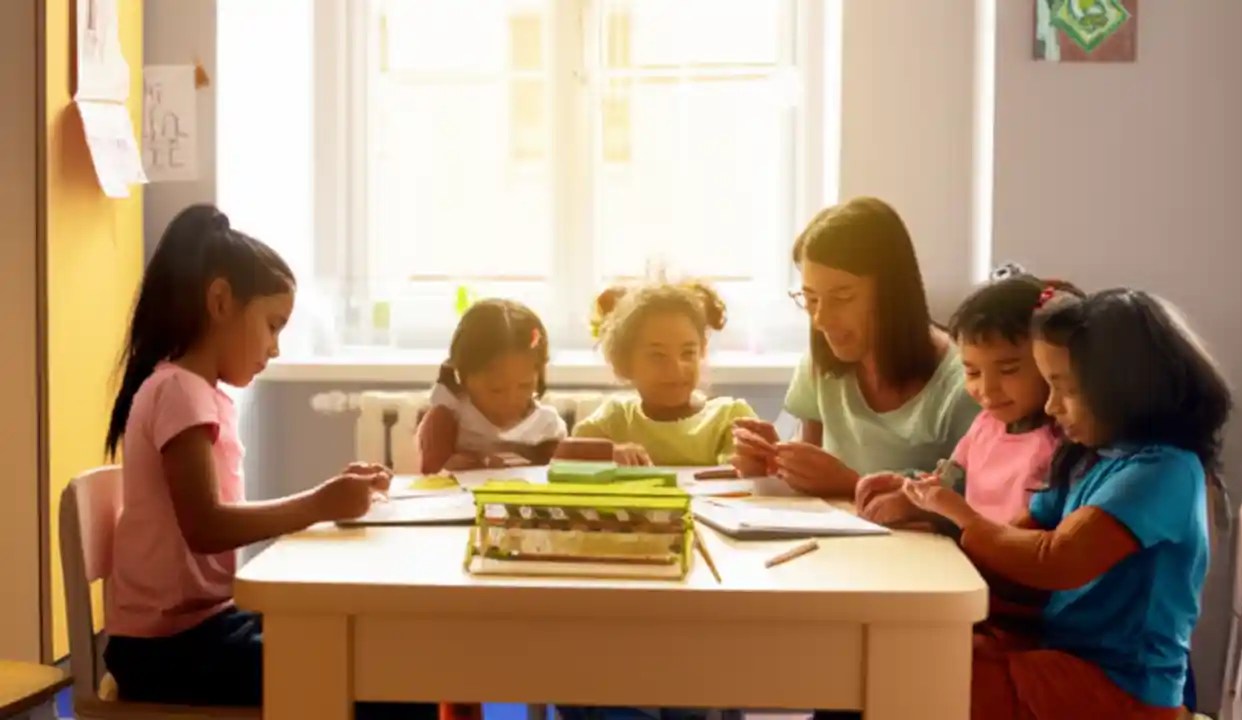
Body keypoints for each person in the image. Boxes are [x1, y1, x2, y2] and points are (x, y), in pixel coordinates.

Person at [103, 204, 432, 719]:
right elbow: (205, 526)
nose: (275, 348)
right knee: (379, 682)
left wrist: (327, 496)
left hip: (205, 628)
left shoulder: (199, 394)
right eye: (272, 325)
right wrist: (320, 504)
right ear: (220, 302)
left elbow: (213, 518)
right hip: (168, 651)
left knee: (370, 651)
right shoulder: (179, 393)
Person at [900, 288, 1230, 719]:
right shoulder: (1090, 456)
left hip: (1123, 685)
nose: (1051, 406)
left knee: (929, 682)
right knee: (918, 652)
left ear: (1125, 388)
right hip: (1064, 651)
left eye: (1065, 389)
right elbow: (1020, 537)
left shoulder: (1163, 471)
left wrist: (961, 518)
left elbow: (1055, 559)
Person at [730, 197, 979, 496]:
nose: (821, 319)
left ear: (892, 293)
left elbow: (979, 505)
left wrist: (851, 485)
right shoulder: (820, 365)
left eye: (842, 298)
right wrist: (773, 463)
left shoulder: (966, 385)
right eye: (810, 299)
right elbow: (808, 484)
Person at [857, 267, 1080, 527]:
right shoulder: (986, 424)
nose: (987, 389)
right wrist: (908, 485)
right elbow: (951, 481)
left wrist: (929, 510)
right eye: (972, 372)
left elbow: (1025, 537)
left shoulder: (1061, 446)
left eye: (1008, 370)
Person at [569, 281, 756, 466]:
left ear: (702, 352)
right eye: (657, 356)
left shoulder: (730, 418)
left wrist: (752, 462)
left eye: (688, 353)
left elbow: (748, 477)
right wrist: (607, 453)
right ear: (624, 361)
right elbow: (565, 454)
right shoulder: (615, 419)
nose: (676, 369)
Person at [417, 299, 567, 473]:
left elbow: (559, 475)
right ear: (464, 377)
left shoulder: (546, 425)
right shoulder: (451, 418)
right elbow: (432, 473)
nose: (511, 399)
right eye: (496, 390)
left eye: (525, 385)